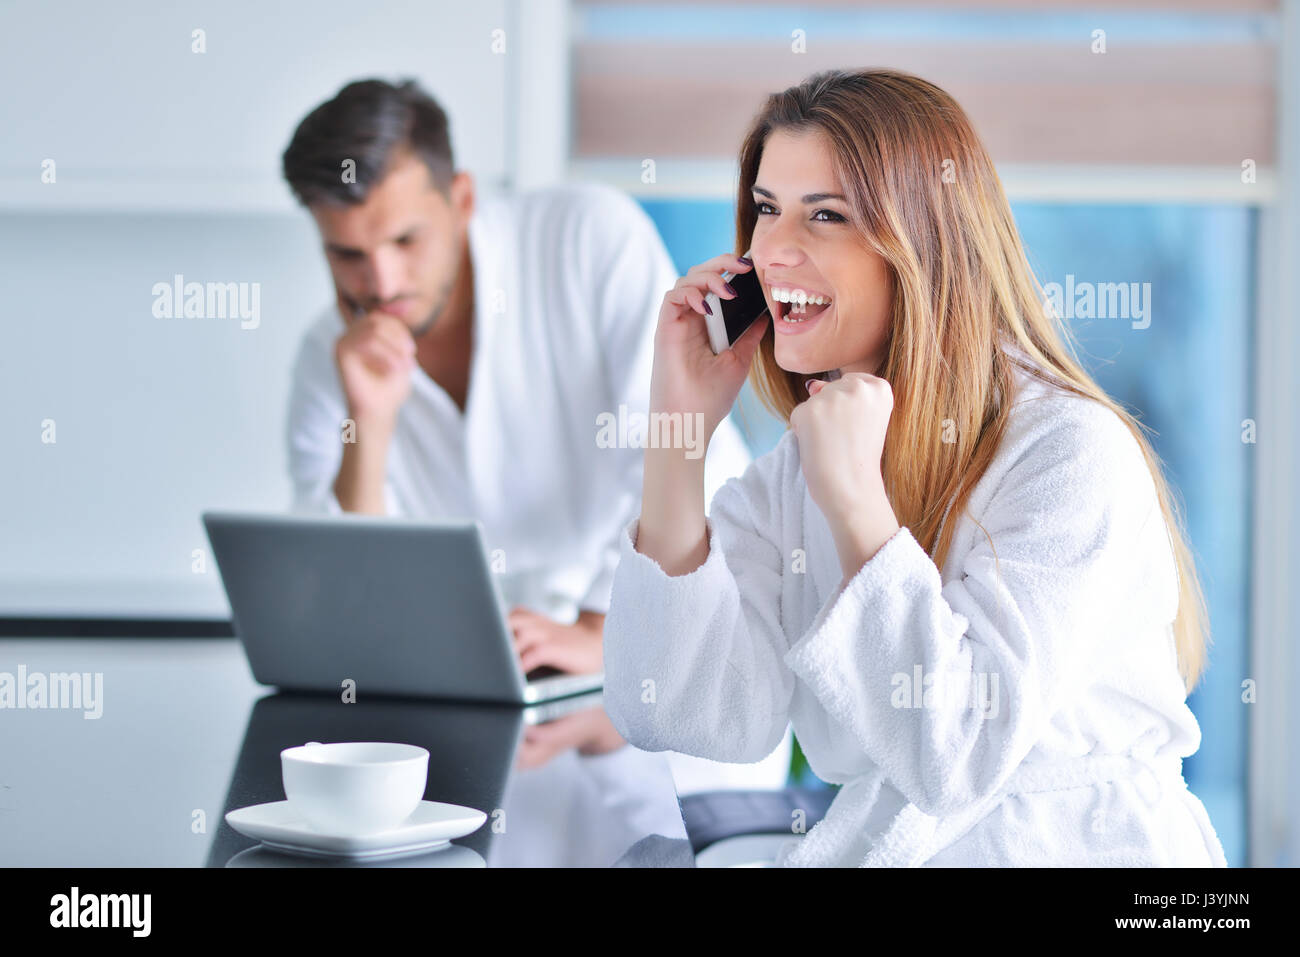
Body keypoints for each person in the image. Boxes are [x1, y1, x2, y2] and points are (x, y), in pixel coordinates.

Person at [602, 68, 1228, 866]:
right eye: (765, 209)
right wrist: (678, 432)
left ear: (921, 245)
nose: (772, 251)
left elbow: (957, 754)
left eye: (825, 215)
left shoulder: (1070, 452)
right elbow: (678, 708)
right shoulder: (802, 466)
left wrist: (858, 505)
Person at [280, 78, 791, 794]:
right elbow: (348, 601)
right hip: (501, 722)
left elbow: (666, 437)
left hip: (679, 677)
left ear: (461, 198)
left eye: (404, 239)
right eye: (347, 255)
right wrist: (367, 421)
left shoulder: (586, 236)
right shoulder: (327, 355)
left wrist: (596, 631)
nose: (381, 281)